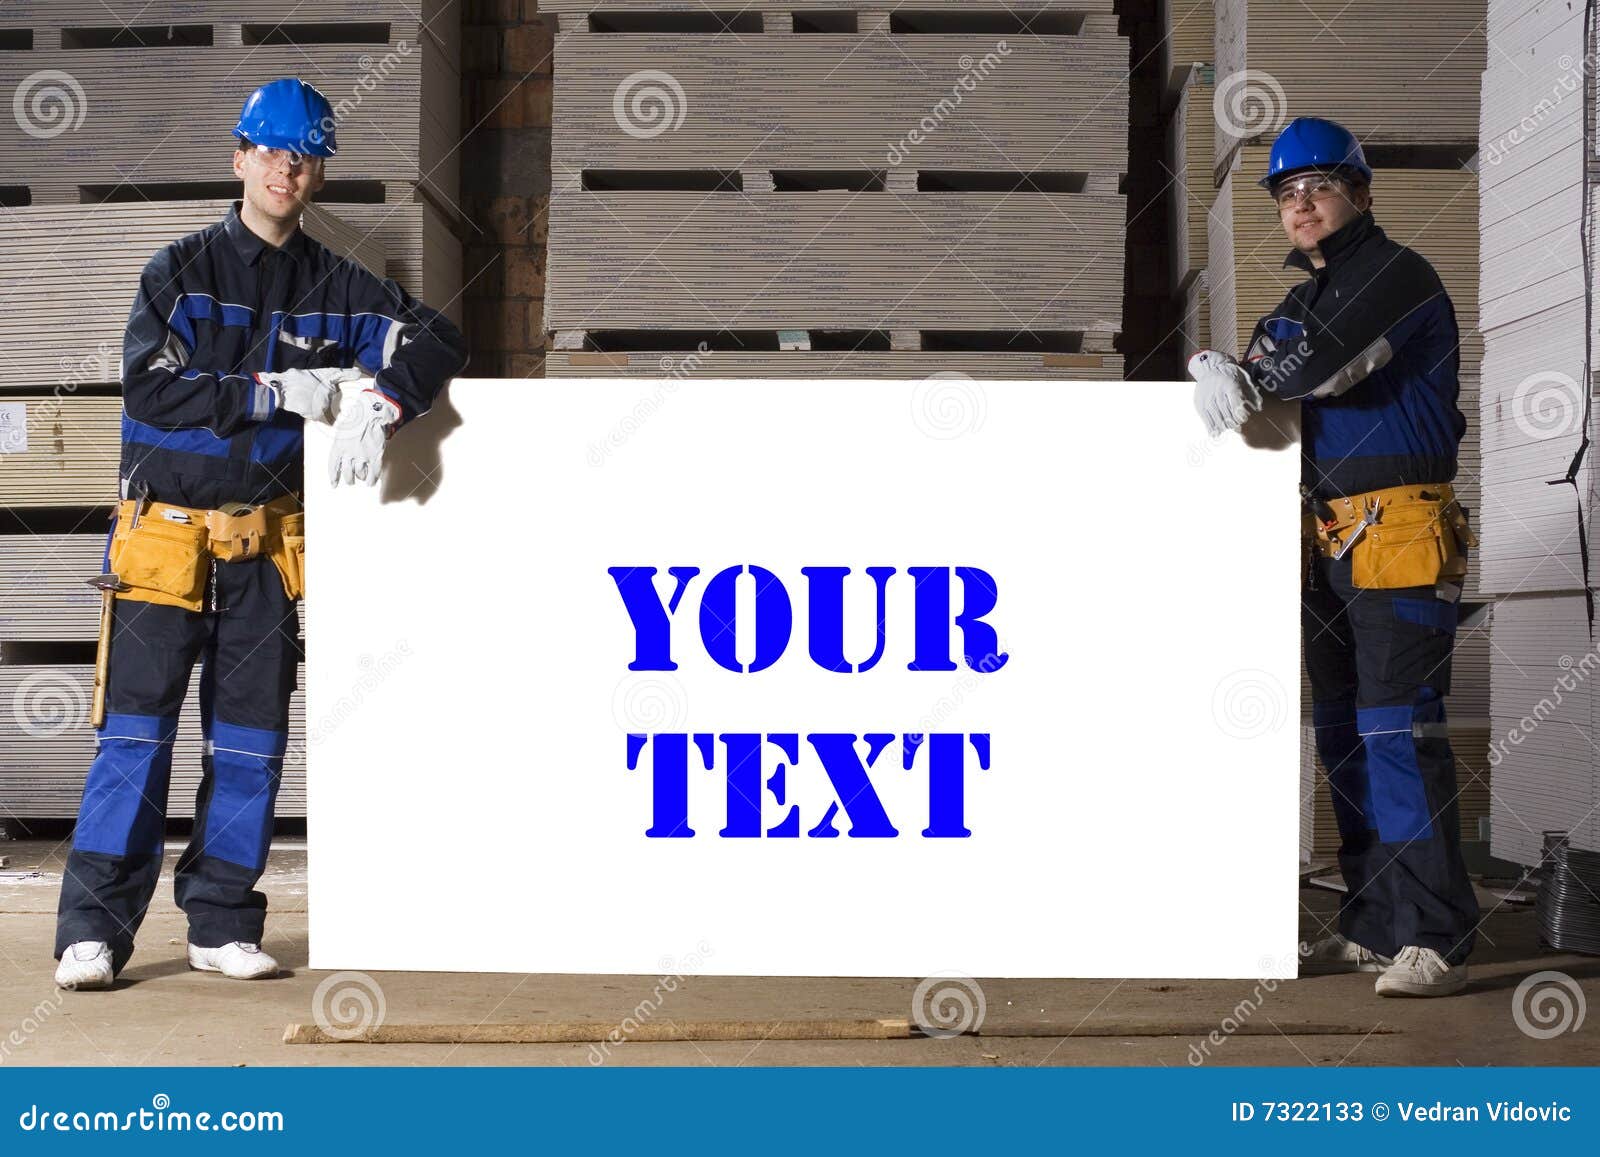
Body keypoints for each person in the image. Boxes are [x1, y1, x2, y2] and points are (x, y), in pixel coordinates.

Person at [53, 78, 468, 989]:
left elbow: (438, 336)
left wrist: (389, 400)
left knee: (249, 744)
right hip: (162, 542)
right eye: (271, 149)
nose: (287, 166)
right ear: (239, 157)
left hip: (265, 553)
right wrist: (278, 391)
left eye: (305, 153)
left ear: (318, 171)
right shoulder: (179, 272)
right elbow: (150, 388)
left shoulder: (340, 286)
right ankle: (93, 930)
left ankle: (222, 919)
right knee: (133, 740)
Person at [1187, 116, 1479, 997]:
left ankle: (1437, 935)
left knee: (1398, 731)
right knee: (1346, 738)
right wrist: (1215, 359)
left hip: (1400, 536)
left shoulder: (1395, 276)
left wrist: (1244, 368)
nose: (1301, 204)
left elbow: (1310, 367)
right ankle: (1374, 924)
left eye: (1317, 186)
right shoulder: (1309, 294)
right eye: (1286, 193)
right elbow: (1255, 362)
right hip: (1330, 542)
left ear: (1359, 192)